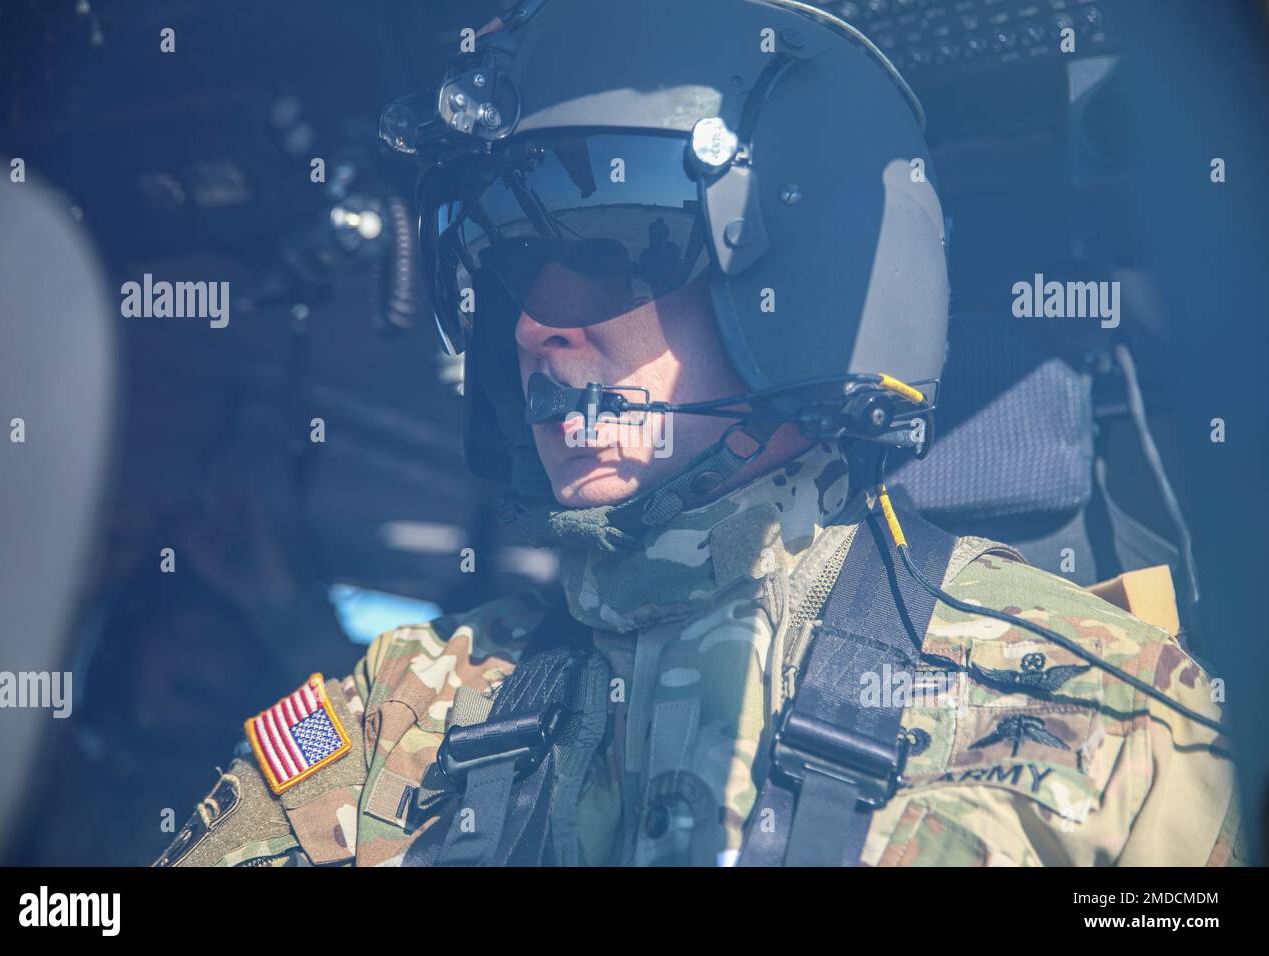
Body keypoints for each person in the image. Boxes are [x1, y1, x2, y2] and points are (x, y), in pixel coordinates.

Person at [153, 0, 1245, 867]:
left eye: (607, 253)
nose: (537, 326)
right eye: (506, 275)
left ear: (804, 277)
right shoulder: (407, 707)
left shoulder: (1100, 716)